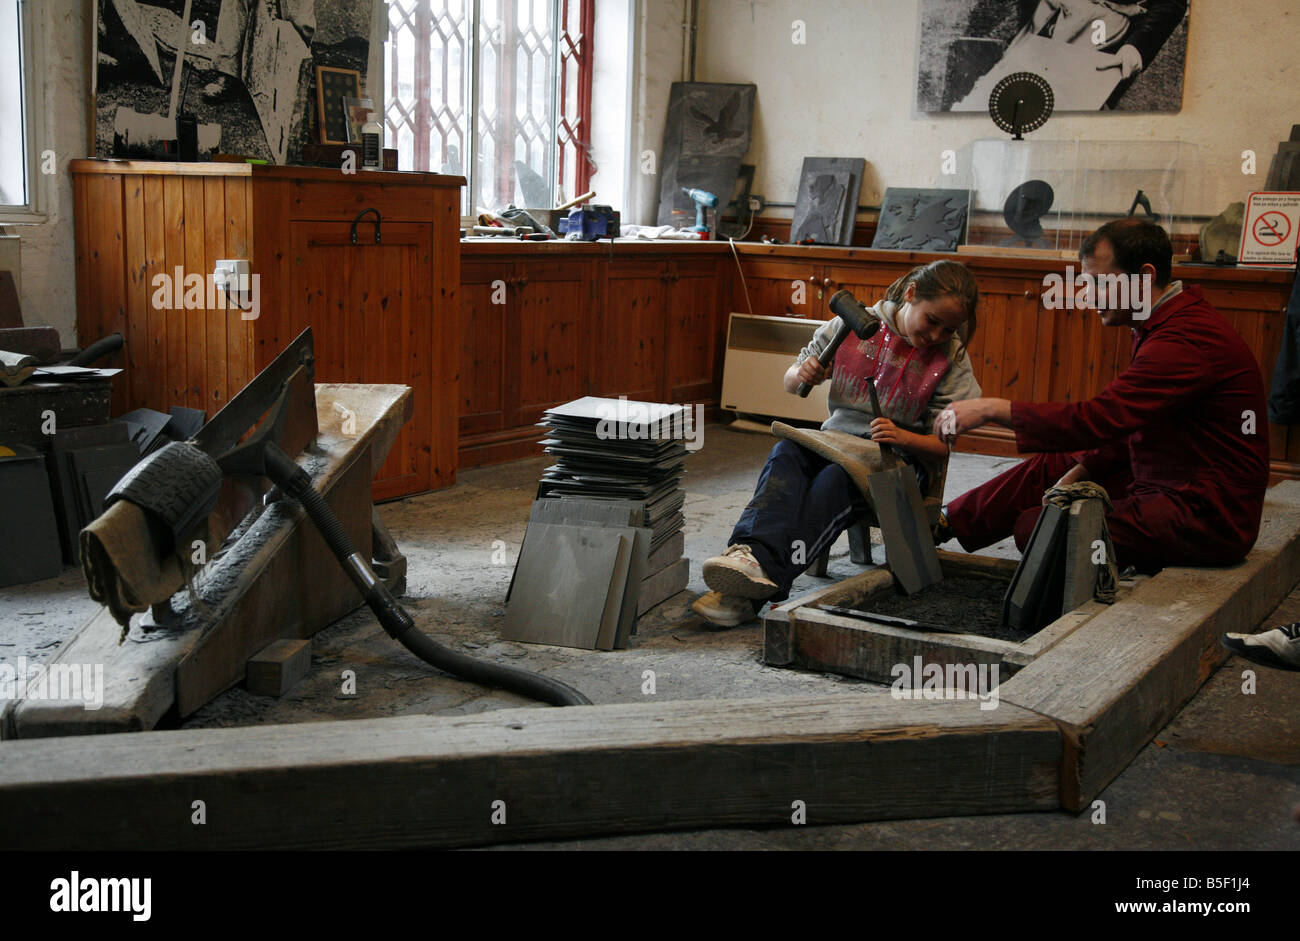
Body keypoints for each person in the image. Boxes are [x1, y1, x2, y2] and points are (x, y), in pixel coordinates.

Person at [933, 218, 1270, 574]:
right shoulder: (1163, 321)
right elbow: (1129, 426)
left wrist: (992, 409)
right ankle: (946, 521)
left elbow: (1100, 419)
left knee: (1036, 529)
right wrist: (1084, 469)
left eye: (1099, 283)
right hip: (1171, 481)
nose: (1089, 296)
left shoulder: (1183, 339)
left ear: (1145, 276)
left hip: (1207, 514)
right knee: (1060, 462)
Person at [692, 260, 982, 627]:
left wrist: (903, 436)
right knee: (786, 451)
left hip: (896, 462)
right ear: (911, 295)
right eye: (932, 321)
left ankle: (745, 595)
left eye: (949, 328)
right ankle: (749, 555)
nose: (938, 335)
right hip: (834, 441)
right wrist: (803, 373)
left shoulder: (951, 359)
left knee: (832, 483)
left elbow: (943, 448)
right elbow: (792, 384)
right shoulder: (852, 323)